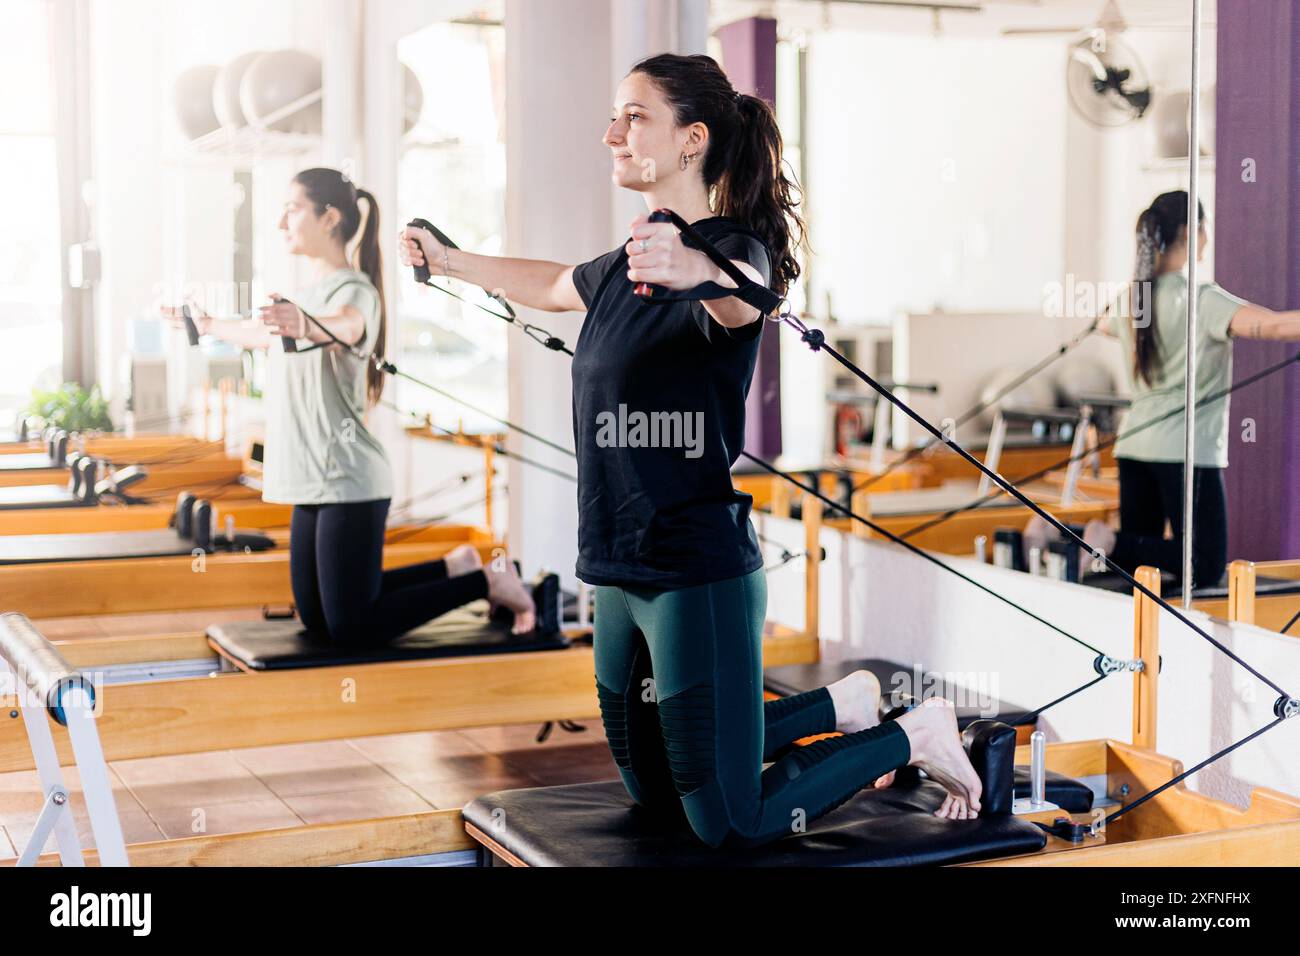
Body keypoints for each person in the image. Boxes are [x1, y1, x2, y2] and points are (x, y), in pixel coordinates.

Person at [401, 54, 982, 849]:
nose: (612, 134)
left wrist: (698, 266)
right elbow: (548, 282)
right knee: (652, 786)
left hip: (694, 570)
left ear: (691, 140)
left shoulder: (727, 254)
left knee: (728, 821)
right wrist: (453, 259)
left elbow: (749, 294)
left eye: (633, 117)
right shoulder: (627, 264)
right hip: (615, 563)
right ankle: (840, 706)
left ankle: (913, 734)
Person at [165, 167, 535, 645]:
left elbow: (346, 325)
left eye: (292, 209)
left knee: (351, 625)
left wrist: (306, 324)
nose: (281, 222)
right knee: (318, 618)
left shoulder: (354, 289)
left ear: (329, 217)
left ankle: (486, 581)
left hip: (348, 478)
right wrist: (206, 322)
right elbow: (262, 334)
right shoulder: (305, 295)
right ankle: (454, 566)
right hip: (310, 479)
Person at [1029, 190, 1300, 589]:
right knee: (1205, 564)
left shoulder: (1132, 299)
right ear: (1191, 233)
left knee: (1143, 565)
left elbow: (1104, 325)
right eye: (1205, 229)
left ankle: (1061, 531)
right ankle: (1106, 538)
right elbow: (1275, 326)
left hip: (1135, 444)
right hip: (1187, 450)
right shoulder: (1202, 299)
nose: (1207, 238)